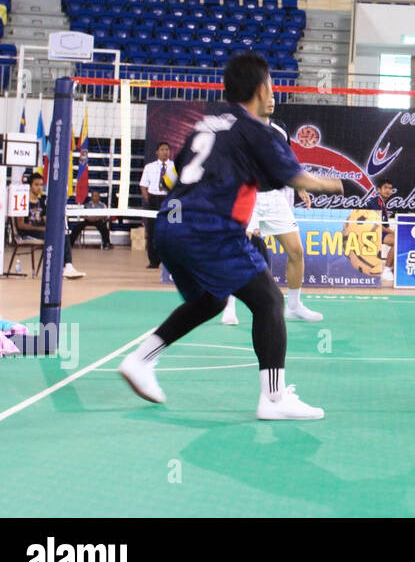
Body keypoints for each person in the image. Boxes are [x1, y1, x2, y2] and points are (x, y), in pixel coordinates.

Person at [118, 52, 343, 420]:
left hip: (170, 227)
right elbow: (298, 178)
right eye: (271, 86)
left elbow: (182, 171)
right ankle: (273, 400)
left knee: (210, 300)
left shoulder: (205, 125)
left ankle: (140, 361)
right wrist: (333, 183)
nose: (274, 94)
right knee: (269, 300)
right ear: (259, 89)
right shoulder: (256, 130)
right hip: (211, 229)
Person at [221, 96, 321, 326]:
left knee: (296, 251)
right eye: (267, 98)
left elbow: (287, 162)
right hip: (247, 196)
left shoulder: (279, 130)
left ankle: (294, 306)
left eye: (274, 98)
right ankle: (229, 306)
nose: (271, 102)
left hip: (274, 197)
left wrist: (301, 187)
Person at [16, 172, 85, 278]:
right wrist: (40, 228)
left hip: (41, 230)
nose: (39, 188)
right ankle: (61, 267)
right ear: (30, 186)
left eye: (41, 185)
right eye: (36, 185)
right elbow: (20, 225)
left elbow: (45, 218)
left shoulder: (41, 201)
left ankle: (68, 265)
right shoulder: (22, 201)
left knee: (63, 233)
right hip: (28, 232)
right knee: (54, 236)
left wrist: (54, 225)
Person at [138, 141, 175, 269]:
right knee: (152, 231)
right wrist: (148, 199)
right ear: (157, 152)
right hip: (154, 199)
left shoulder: (175, 167)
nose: (165, 152)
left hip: (170, 200)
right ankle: (153, 261)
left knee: (171, 231)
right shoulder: (150, 167)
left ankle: (170, 261)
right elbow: (143, 185)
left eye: (167, 149)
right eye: (162, 149)